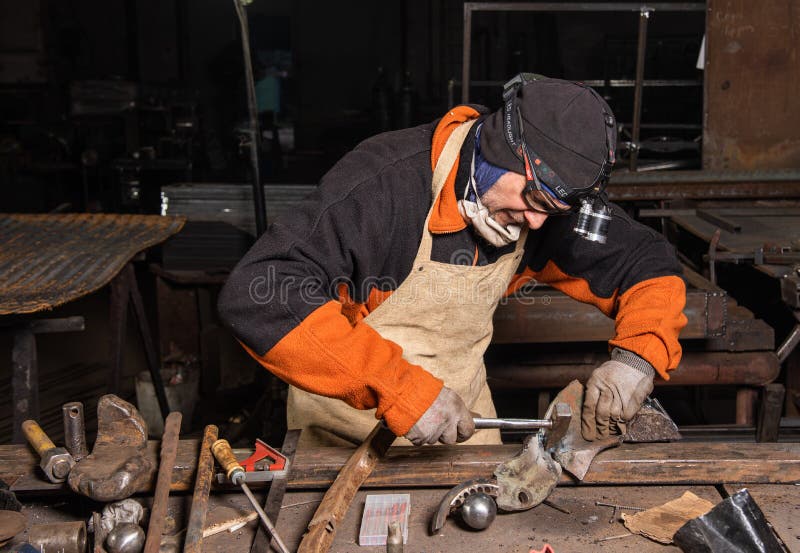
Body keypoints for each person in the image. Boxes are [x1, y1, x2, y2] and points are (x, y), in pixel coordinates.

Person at [217, 74, 687, 448]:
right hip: (342, 436)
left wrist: (637, 359)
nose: (537, 224)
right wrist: (401, 390)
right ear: (502, 152)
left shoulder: (542, 207)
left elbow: (646, 262)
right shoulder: (385, 184)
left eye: (552, 211)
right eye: (534, 201)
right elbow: (258, 293)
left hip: (466, 430)